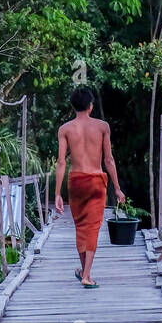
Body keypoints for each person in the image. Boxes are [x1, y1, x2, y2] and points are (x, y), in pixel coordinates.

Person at [54, 87, 125, 288]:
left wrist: (57, 193)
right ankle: (86, 276)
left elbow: (61, 163)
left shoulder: (65, 129)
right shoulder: (103, 127)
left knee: (81, 227)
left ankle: (85, 272)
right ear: (91, 106)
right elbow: (109, 159)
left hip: (76, 181)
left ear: (73, 106)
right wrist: (117, 188)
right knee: (92, 228)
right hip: (95, 181)